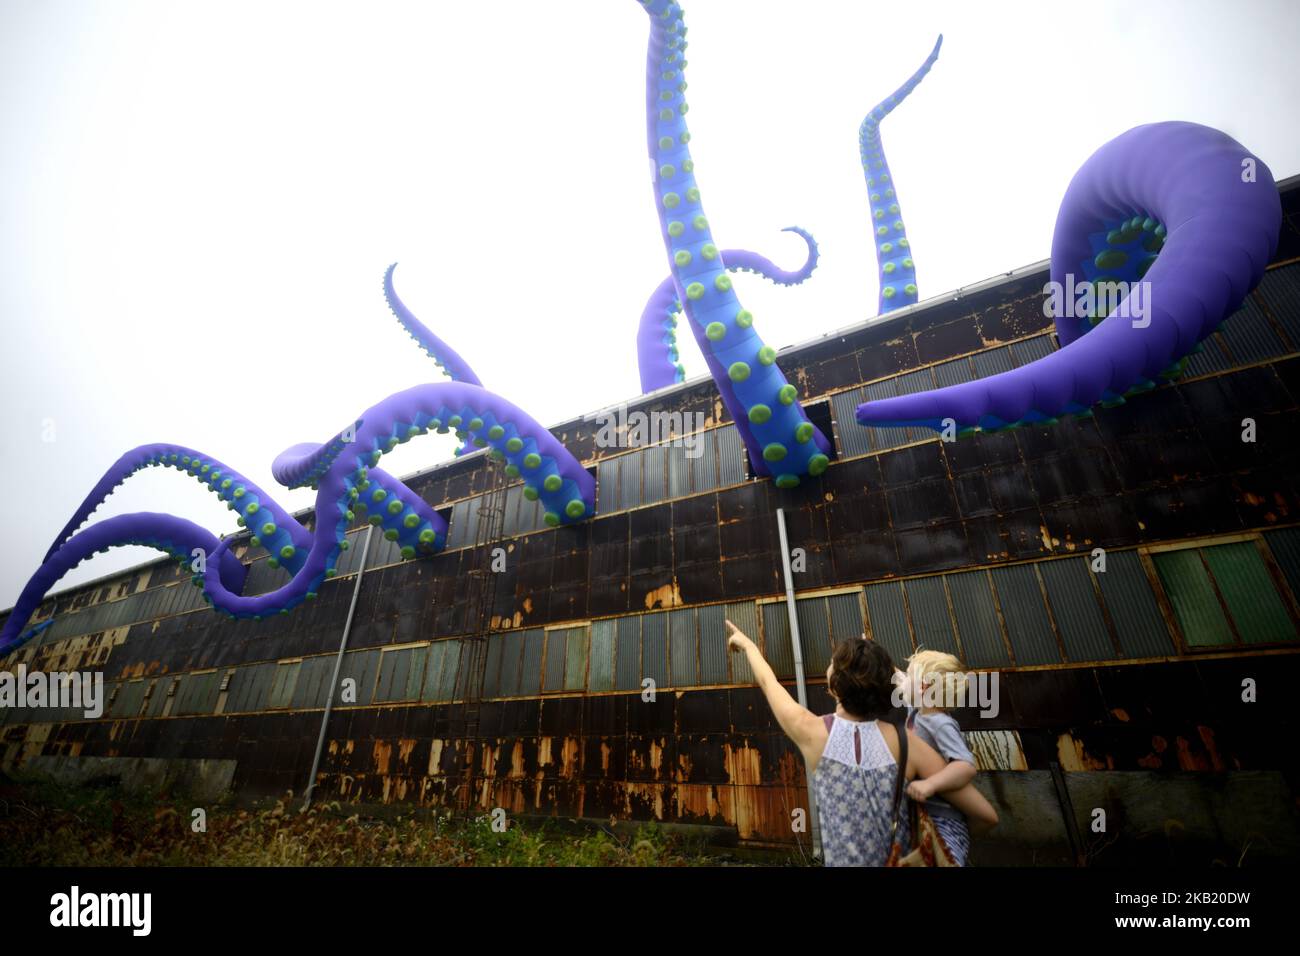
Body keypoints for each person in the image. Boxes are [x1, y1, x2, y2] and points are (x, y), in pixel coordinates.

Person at [725, 620, 997, 866]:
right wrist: (937, 842)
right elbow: (986, 816)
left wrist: (748, 645)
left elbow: (767, 681)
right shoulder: (909, 745)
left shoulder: (810, 732)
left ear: (833, 684)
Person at [897, 650, 981, 866]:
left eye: (909, 674)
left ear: (923, 687)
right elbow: (898, 680)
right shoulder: (917, 712)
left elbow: (965, 765)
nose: (902, 679)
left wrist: (931, 784)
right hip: (924, 817)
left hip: (946, 823)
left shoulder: (939, 723)